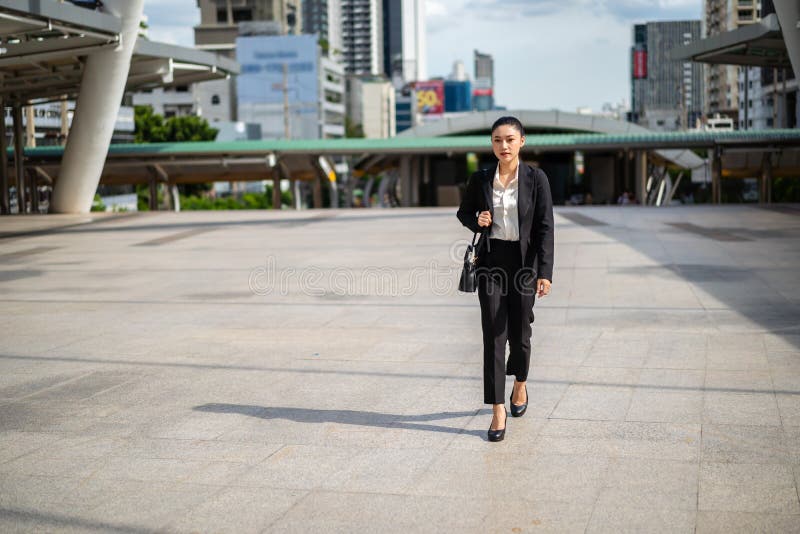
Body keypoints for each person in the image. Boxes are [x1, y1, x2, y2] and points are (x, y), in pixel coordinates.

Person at [457, 116, 554, 442]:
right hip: (491, 263)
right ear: (492, 144)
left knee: (521, 334)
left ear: (522, 142)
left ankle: (520, 383)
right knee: (493, 335)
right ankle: (497, 410)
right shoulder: (481, 178)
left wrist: (545, 273)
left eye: (510, 139)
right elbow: (463, 212)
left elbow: (545, 228)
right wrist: (477, 219)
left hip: (525, 264)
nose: (504, 146)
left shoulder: (536, 179)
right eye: (498, 140)